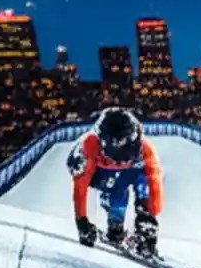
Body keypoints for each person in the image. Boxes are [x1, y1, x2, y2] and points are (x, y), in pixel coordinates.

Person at [67, 107, 164, 256]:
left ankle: (132, 223)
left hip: (119, 170)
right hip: (104, 173)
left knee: (139, 182)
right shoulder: (88, 147)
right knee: (116, 191)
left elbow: (154, 182)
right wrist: (82, 222)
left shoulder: (145, 149)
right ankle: (116, 224)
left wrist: (149, 215)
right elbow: (81, 185)